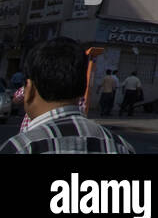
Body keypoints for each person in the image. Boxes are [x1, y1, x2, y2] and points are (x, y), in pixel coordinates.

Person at [0, 38, 133, 154]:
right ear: (82, 85)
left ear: (29, 90)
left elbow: (15, 100)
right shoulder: (121, 146)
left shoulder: (21, 147)